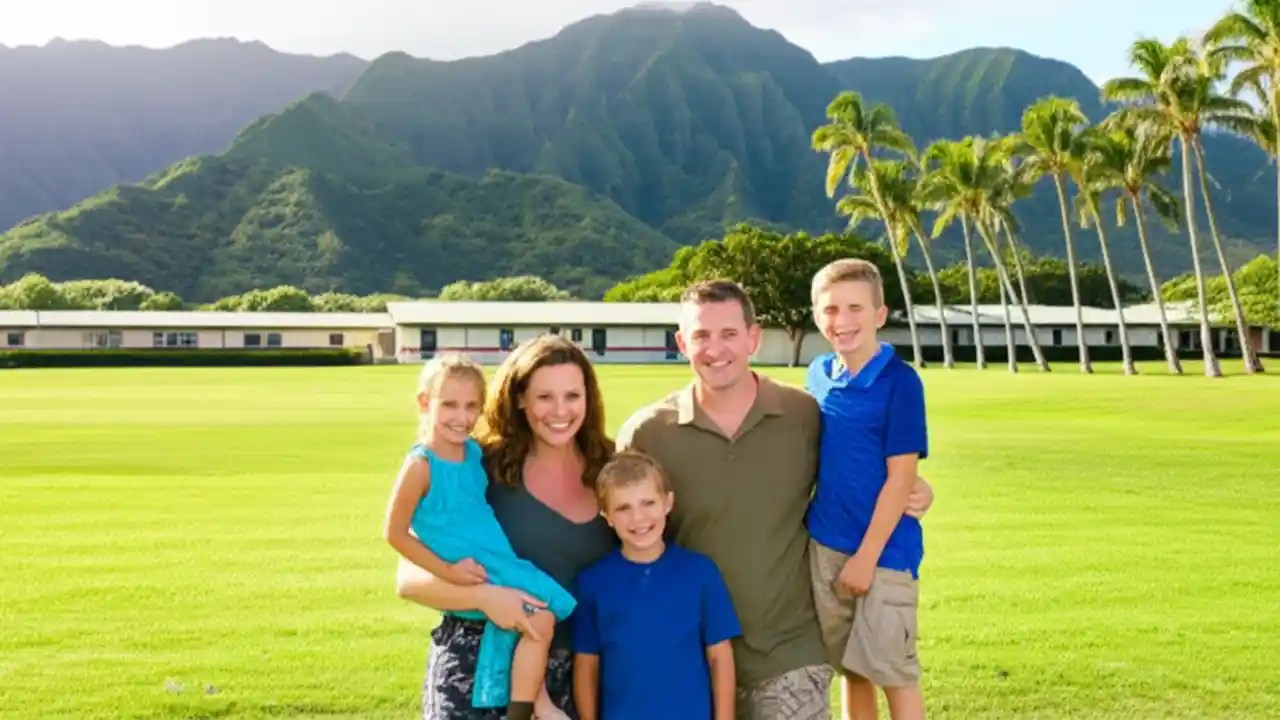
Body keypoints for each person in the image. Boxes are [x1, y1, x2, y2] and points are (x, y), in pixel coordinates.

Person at [615, 279, 934, 720]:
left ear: (753, 337)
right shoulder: (647, 432)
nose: (716, 348)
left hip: (789, 654)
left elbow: (862, 461)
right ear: (682, 342)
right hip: (688, 655)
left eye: (729, 334)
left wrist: (915, 487)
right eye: (702, 336)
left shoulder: (802, 413)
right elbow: (617, 531)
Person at [394, 336, 618, 720]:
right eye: (544, 397)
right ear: (519, 399)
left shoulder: (612, 470)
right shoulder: (480, 464)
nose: (560, 410)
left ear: (588, 398)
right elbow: (408, 578)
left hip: (575, 673)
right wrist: (484, 598)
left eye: (572, 396)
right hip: (475, 664)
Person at [804, 259, 929, 720]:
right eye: (831, 309)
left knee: (895, 673)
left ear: (880, 314)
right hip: (826, 546)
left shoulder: (900, 383)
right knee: (852, 670)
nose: (843, 320)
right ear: (817, 315)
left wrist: (866, 558)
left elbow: (901, 478)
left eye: (855, 307)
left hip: (885, 553)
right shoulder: (817, 374)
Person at [571, 450, 740, 720]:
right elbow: (587, 663)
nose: (638, 518)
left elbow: (720, 655)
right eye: (623, 508)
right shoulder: (593, 582)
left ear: (668, 502)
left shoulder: (699, 572)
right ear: (607, 515)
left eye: (648, 503)